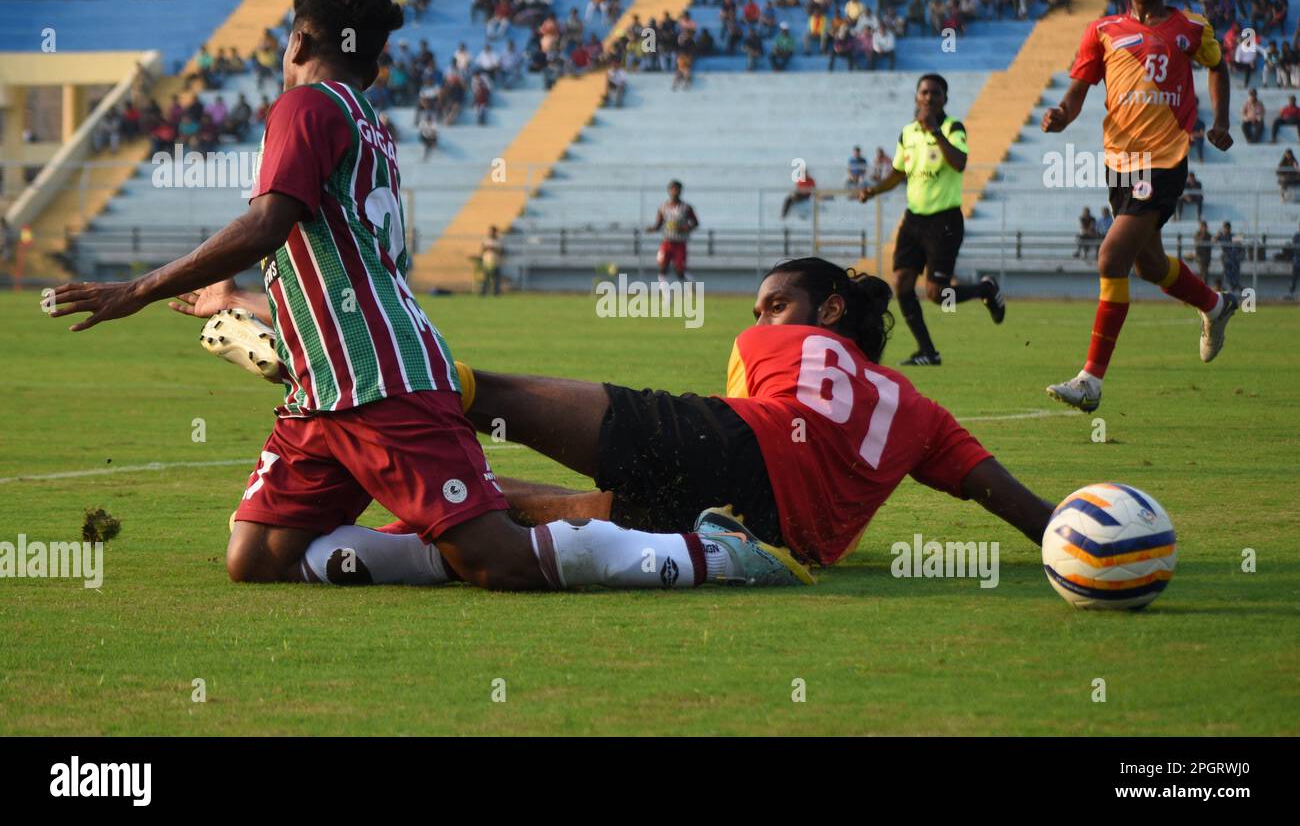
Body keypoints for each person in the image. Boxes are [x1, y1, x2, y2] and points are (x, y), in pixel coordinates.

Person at [47, 0, 805, 594]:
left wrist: (136, 289)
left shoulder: (304, 106)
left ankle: (714, 554)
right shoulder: (366, 120)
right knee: (260, 553)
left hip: (380, 382)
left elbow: (270, 225)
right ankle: (449, 534)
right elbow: (338, 263)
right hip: (327, 387)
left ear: (300, 40)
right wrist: (246, 301)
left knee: (496, 562)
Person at [208, 258, 1059, 573]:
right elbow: (1004, 496)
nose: (762, 317)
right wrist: (1070, 537)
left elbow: (746, 423)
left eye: (776, 303)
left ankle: (351, 368)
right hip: (772, 536)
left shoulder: (779, 346)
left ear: (829, 310)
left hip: (729, 448)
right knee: (514, 505)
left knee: (490, 393)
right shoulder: (919, 410)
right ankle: (409, 444)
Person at [1041, 0, 1237, 412]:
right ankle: (1215, 304)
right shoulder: (1102, 30)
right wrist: (1063, 116)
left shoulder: (1191, 27)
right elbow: (1078, 90)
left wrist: (1222, 121)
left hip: (1165, 161)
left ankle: (1091, 381)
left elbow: (1218, 66)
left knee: (1111, 258)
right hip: (1119, 164)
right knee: (1150, 266)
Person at [858, 74, 1005, 365]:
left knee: (937, 295)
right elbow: (899, 173)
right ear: (916, 97)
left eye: (935, 94)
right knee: (901, 282)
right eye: (924, 92)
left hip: (944, 222)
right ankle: (928, 351)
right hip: (914, 220)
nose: (929, 98)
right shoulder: (908, 133)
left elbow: (960, 162)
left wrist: (936, 132)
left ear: (944, 100)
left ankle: (985, 289)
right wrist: (874, 190)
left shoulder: (953, 128)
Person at [646, 180, 698, 295]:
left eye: (677, 189)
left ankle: (691, 283)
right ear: (669, 191)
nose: (674, 192)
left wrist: (684, 228)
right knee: (662, 268)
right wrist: (652, 229)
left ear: (680, 191)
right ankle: (666, 295)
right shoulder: (663, 207)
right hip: (667, 242)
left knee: (679, 271)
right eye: (672, 189)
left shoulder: (686, 208)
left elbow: (695, 223)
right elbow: (659, 224)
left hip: (680, 243)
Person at [1215, 221, 1242, 293]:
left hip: (1234, 260)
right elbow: (1213, 240)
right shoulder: (1221, 236)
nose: (1226, 230)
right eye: (1225, 228)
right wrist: (1217, 235)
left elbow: (1241, 243)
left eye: (1227, 228)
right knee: (1227, 276)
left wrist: (1240, 237)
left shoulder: (1233, 236)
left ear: (1230, 228)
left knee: (1234, 276)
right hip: (1226, 260)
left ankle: (1237, 288)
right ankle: (1234, 289)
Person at [479, 225, 503, 296]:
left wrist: (494, 249)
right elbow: (482, 249)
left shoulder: (499, 240)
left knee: (496, 279)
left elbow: (501, 251)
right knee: (486, 278)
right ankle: (484, 292)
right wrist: (487, 248)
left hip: (496, 262)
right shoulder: (486, 240)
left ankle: (496, 293)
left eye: (493, 231)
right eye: (490, 231)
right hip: (487, 262)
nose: (491, 233)